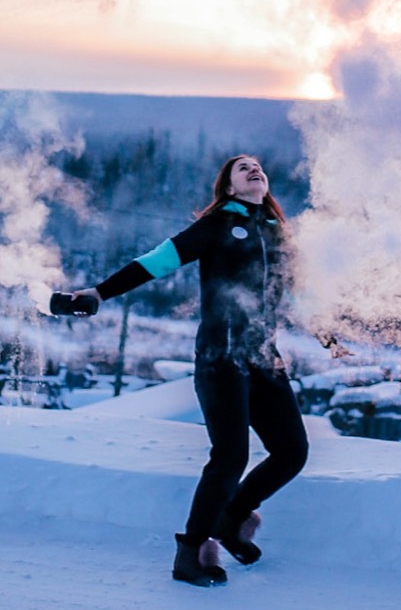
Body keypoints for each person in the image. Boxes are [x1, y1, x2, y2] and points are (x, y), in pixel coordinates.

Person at [50, 153, 308, 586]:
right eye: (241, 167)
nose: (254, 169)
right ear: (228, 187)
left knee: (292, 452)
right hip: (220, 357)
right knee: (230, 457)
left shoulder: (276, 231)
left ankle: (232, 519)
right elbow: (156, 262)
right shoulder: (217, 225)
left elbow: (296, 294)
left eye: (258, 165)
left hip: (263, 358)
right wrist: (100, 292)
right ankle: (191, 552)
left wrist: (332, 335)